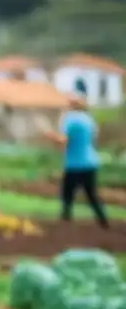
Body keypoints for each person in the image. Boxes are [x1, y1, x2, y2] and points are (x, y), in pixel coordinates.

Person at [44, 94, 109, 228]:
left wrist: (50, 136)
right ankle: (103, 220)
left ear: (71, 105)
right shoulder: (88, 119)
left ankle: (65, 221)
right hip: (90, 161)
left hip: (75, 163)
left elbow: (64, 140)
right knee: (91, 194)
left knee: (67, 193)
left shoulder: (70, 119)